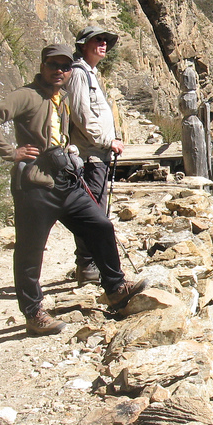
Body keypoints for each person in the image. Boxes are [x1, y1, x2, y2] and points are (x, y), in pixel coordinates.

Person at [0, 44, 145, 336]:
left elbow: (58, 132)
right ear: (42, 66)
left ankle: (116, 288)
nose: (60, 71)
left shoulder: (61, 97)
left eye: (65, 67)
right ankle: (33, 314)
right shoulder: (26, 95)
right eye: (54, 65)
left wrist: (68, 148)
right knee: (30, 252)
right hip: (36, 187)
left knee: (100, 225)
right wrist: (11, 153)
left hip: (66, 180)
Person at [65, 25, 123, 285]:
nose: (103, 45)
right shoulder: (79, 75)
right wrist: (107, 140)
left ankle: (90, 266)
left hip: (98, 154)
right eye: (97, 40)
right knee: (93, 214)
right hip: (91, 156)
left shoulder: (90, 74)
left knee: (96, 210)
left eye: (105, 41)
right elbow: (82, 116)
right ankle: (88, 267)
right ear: (83, 45)